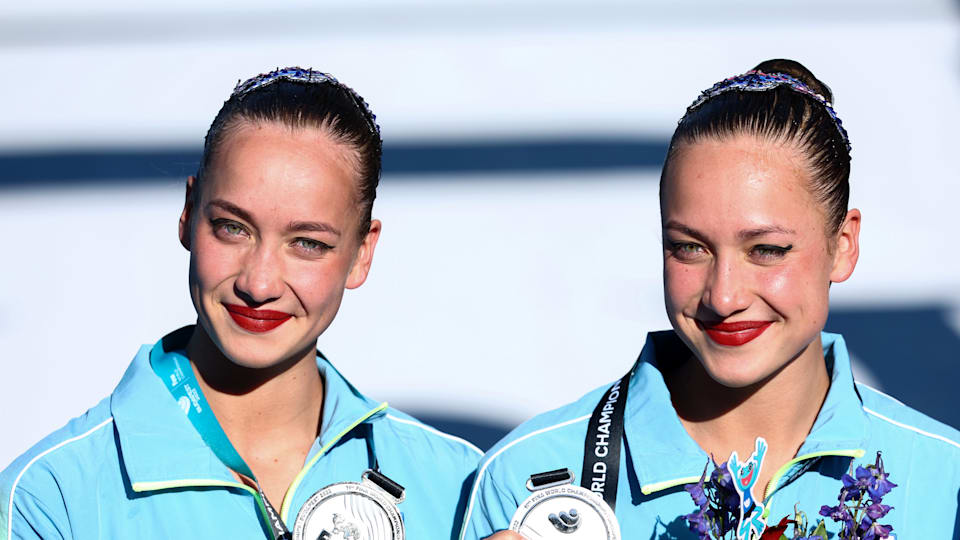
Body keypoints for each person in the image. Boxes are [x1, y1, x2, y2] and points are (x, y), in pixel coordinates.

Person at [461, 59, 960, 539]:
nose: (723, 296)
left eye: (766, 250)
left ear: (843, 246)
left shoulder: (947, 478)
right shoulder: (523, 480)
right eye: (689, 248)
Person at [0, 67, 482, 540]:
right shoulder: (51, 499)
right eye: (233, 227)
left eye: (308, 243)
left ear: (362, 253)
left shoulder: (462, 487)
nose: (259, 282)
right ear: (188, 215)